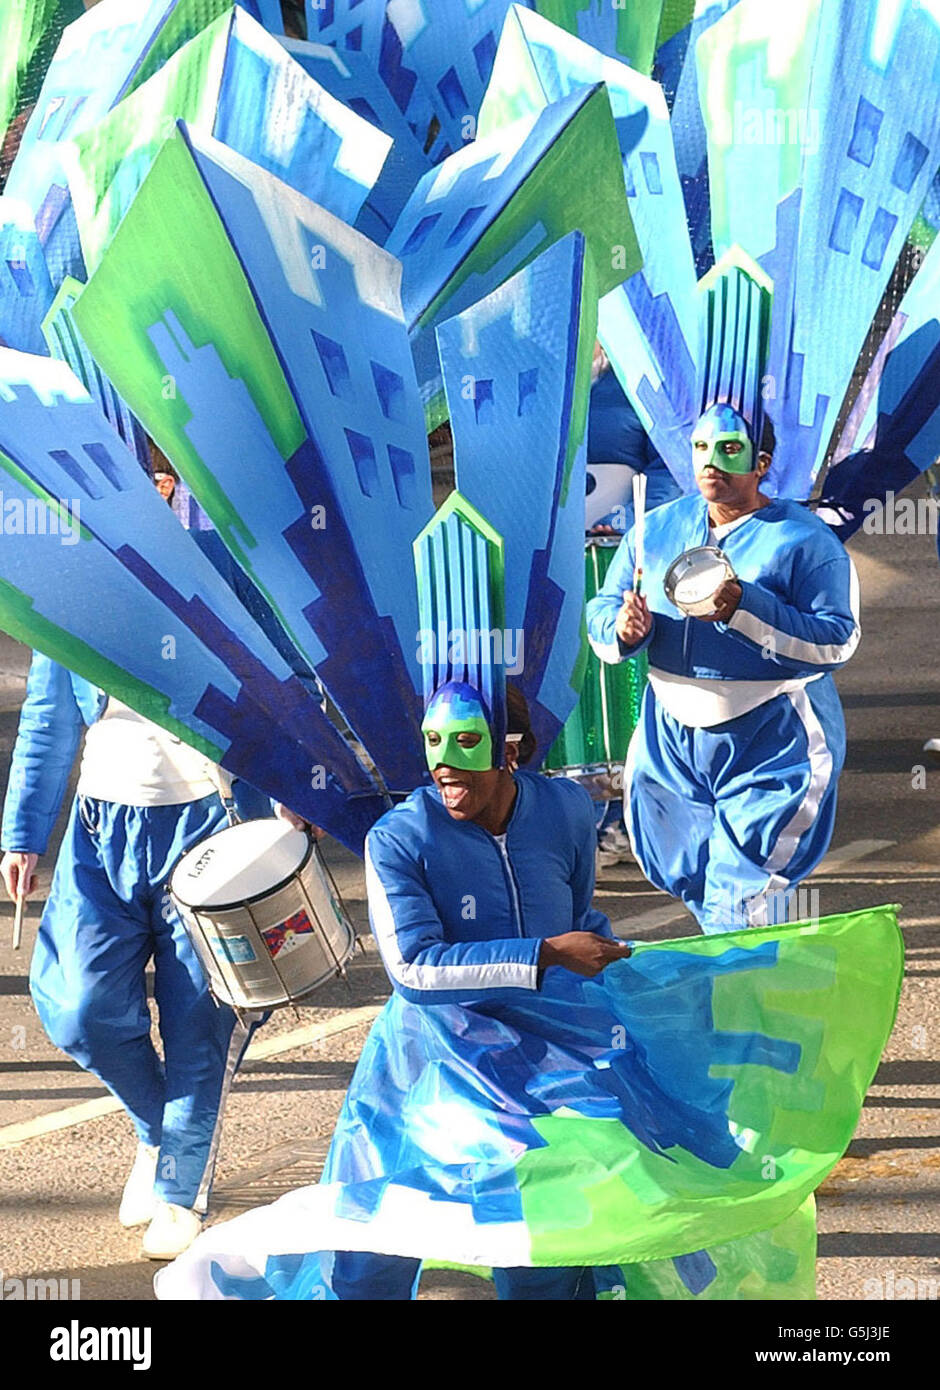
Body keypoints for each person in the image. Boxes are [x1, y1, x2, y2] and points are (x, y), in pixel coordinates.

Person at [0, 465, 276, 1260]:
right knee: (79, 1006)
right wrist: (22, 832)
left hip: (212, 822)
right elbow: (50, 714)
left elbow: (283, 680)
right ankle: (163, 1135)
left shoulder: (227, 558)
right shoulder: (76, 574)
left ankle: (180, 1187)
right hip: (100, 826)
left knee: (203, 1017)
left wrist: (304, 788)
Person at [330, 680, 631, 1300]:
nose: (444, 764)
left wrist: (618, 962)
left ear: (510, 752)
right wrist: (544, 955)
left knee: (539, 1250)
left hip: (549, 1060)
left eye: (465, 744)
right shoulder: (398, 839)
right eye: (433, 744)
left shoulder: (568, 809)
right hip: (432, 1065)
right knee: (370, 1257)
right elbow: (414, 969)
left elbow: (577, 916)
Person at [586, 405, 860, 935]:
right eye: (700, 449)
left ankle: (740, 1004)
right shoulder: (657, 528)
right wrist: (622, 630)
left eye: (729, 450)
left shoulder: (804, 540)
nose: (711, 463)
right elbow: (601, 607)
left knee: (743, 892)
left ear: (762, 463)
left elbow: (838, 640)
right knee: (683, 871)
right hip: (668, 737)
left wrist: (744, 606)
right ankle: (742, 978)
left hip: (770, 738)